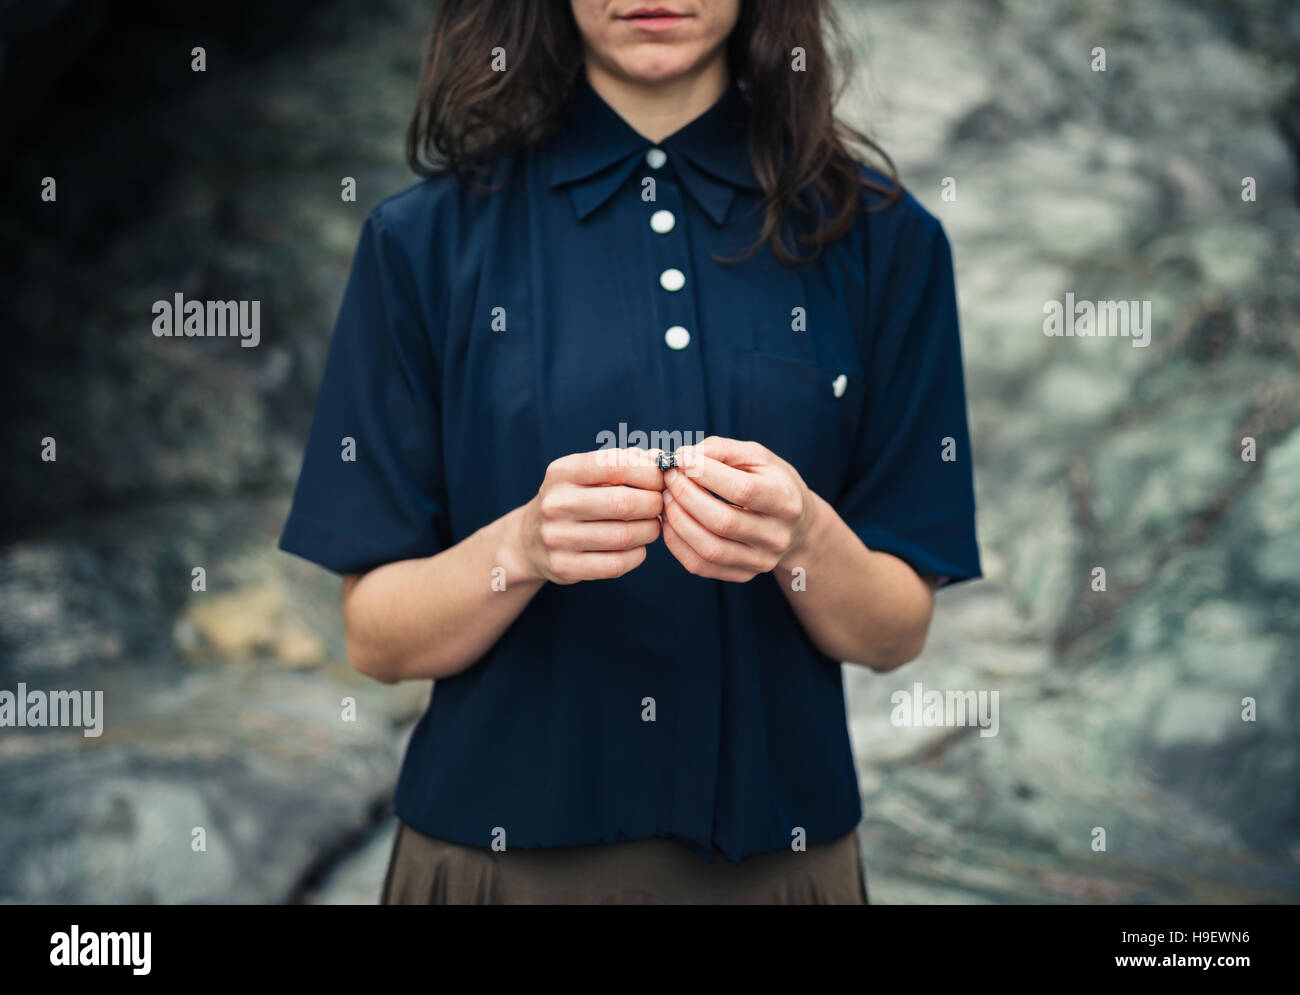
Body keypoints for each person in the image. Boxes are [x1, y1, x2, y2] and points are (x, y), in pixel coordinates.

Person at [279, 0, 982, 904]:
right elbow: (375, 635)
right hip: (492, 867)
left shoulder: (886, 241)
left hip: (778, 865)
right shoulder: (420, 243)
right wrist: (520, 549)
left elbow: (894, 634)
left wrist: (804, 536)